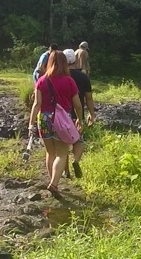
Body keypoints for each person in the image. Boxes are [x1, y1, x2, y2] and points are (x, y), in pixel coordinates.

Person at [28, 50, 83, 194]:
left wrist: (31, 123)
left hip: (44, 119)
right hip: (61, 120)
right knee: (62, 154)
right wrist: (80, 119)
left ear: (49, 62)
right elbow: (77, 104)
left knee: (50, 153)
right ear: (65, 63)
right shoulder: (69, 81)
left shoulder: (41, 80)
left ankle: (53, 179)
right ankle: (54, 184)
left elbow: (36, 104)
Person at [65, 48, 94, 177]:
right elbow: (88, 98)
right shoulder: (83, 77)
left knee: (63, 145)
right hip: (77, 114)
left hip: (62, 116)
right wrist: (92, 114)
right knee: (79, 141)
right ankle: (76, 160)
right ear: (75, 61)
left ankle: (66, 172)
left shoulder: (60, 77)